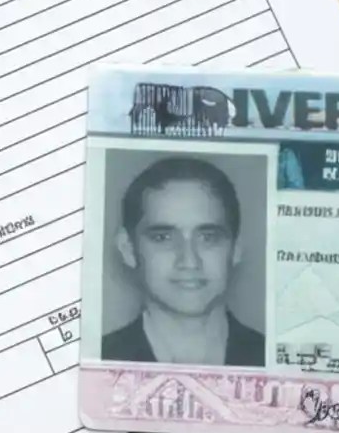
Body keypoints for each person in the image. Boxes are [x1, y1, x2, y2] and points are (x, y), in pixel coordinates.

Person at [103, 156, 264, 366]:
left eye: (208, 237)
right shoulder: (99, 358)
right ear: (128, 249)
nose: (189, 261)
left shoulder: (272, 359)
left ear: (236, 249)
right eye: (163, 238)